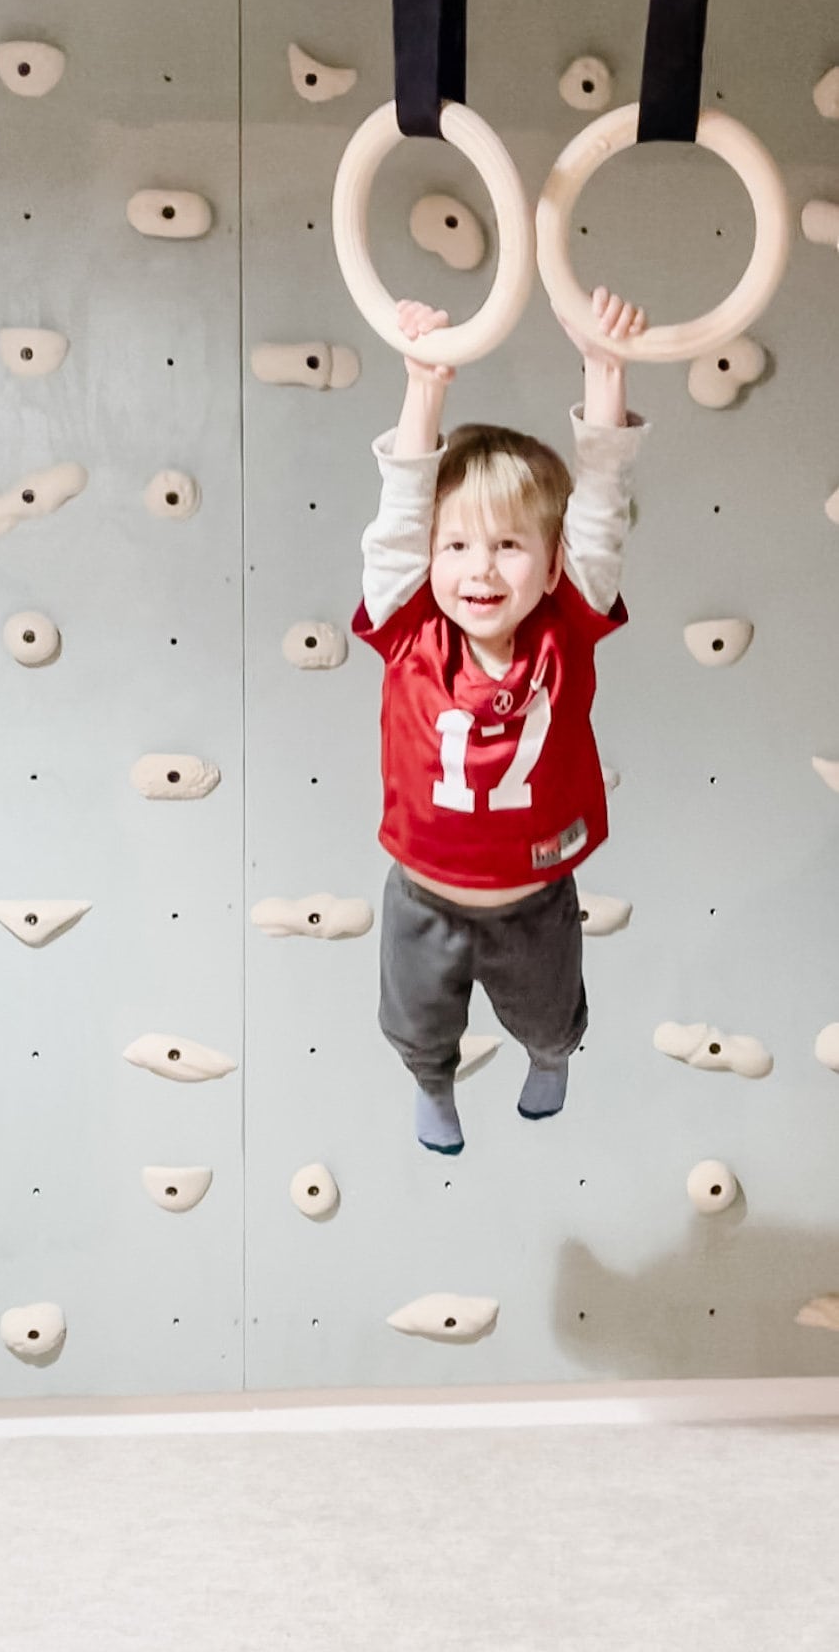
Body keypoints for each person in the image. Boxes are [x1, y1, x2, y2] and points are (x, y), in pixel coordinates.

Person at [352, 287, 650, 1155]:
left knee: (551, 1018)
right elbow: (400, 515)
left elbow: (599, 510)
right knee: (414, 1023)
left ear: (551, 565)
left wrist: (605, 368)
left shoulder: (568, 626)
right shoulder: (409, 626)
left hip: (537, 897)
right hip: (423, 896)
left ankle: (548, 1060)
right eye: (457, 546)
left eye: (510, 546)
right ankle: (431, 1082)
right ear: (430, 558)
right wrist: (423, 385)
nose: (480, 569)